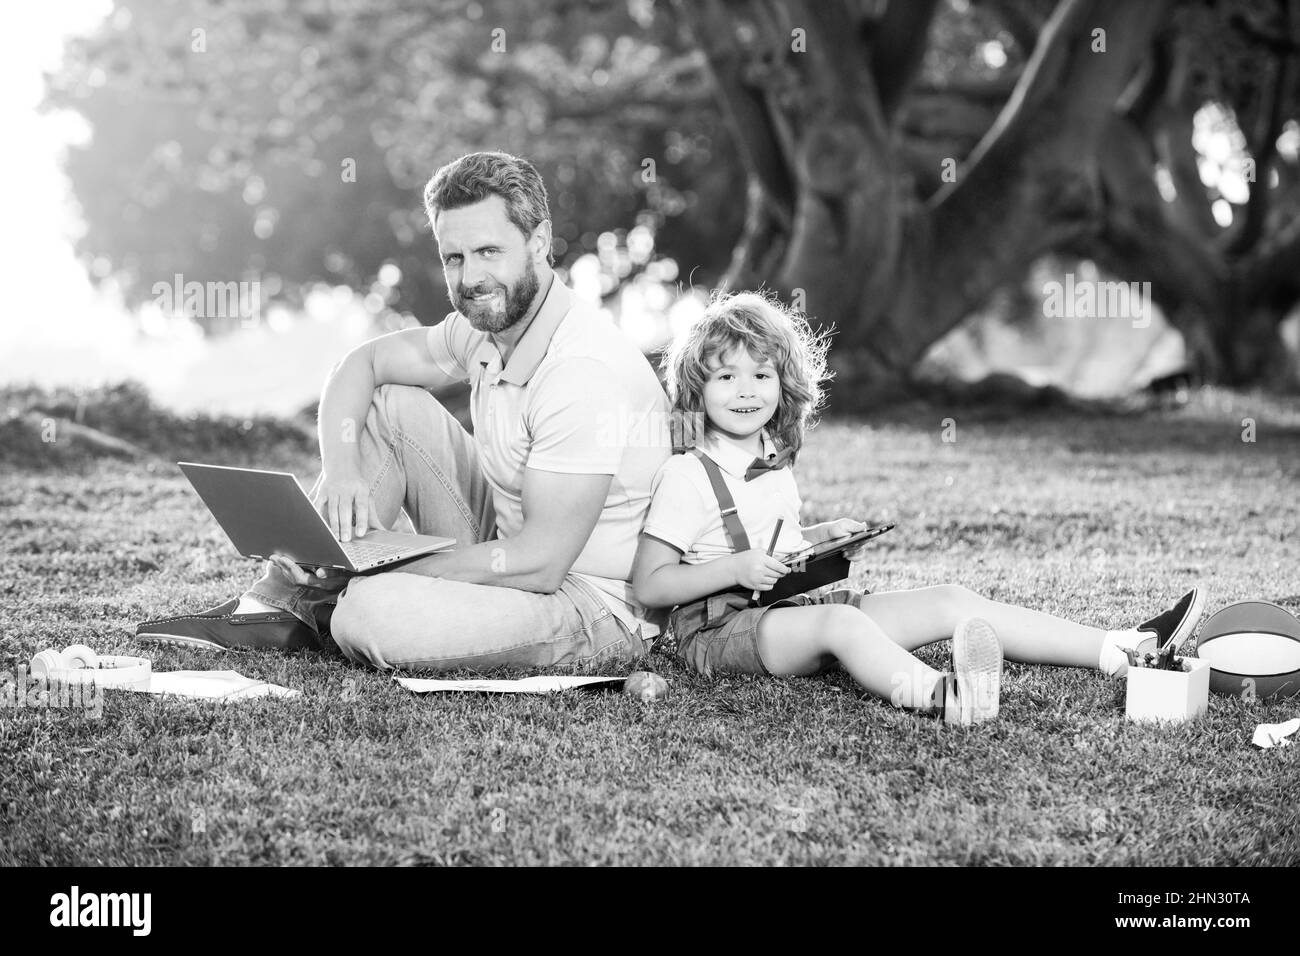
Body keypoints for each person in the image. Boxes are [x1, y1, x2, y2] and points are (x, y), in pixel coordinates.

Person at [137, 151, 673, 671]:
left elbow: (541, 561)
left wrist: (392, 566)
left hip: (588, 601)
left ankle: (334, 595)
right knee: (390, 405)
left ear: (539, 244)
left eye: (489, 252)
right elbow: (362, 365)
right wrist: (343, 472)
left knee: (372, 612)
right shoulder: (486, 331)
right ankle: (279, 607)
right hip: (505, 545)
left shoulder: (579, 369)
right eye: (454, 258)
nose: (470, 280)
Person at [630, 290, 1205, 724]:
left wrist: (823, 535)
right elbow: (652, 585)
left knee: (949, 601)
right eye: (726, 377)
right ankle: (947, 698)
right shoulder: (688, 474)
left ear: (784, 385)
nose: (746, 390)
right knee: (842, 622)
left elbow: (770, 540)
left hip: (785, 608)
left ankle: (1120, 647)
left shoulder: (772, 457)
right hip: (719, 631)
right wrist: (735, 569)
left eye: (761, 375)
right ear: (696, 389)